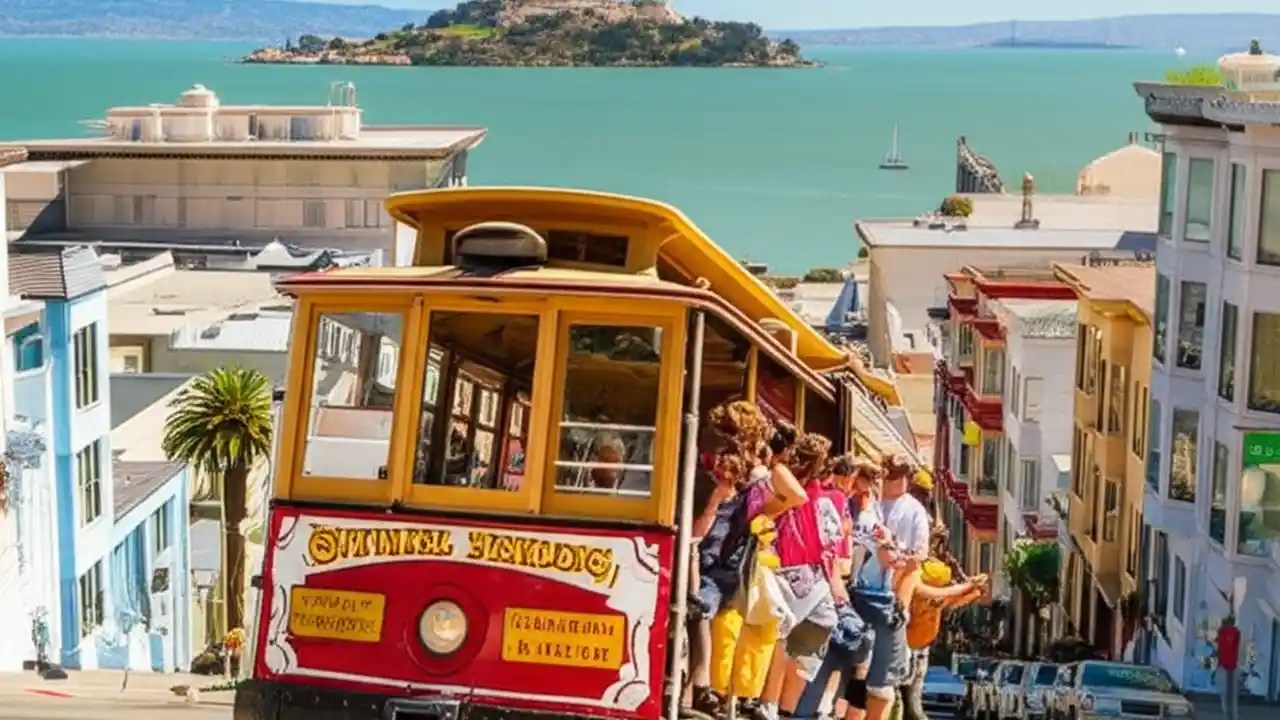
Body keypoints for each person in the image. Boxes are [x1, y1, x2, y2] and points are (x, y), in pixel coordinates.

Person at [688, 401, 773, 715]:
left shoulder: (729, 475)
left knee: (697, 605)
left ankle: (699, 688)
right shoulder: (755, 478)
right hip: (725, 567)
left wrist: (712, 504)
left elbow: (702, 531)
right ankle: (700, 689)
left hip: (712, 564)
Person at [1217, 616, 1240, 720]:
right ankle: (1234, 715)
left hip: (1223, 665)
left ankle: (1226, 714)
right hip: (1233, 665)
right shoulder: (1236, 632)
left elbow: (1220, 647)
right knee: (1233, 694)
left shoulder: (1221, 632)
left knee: (1224, 692)